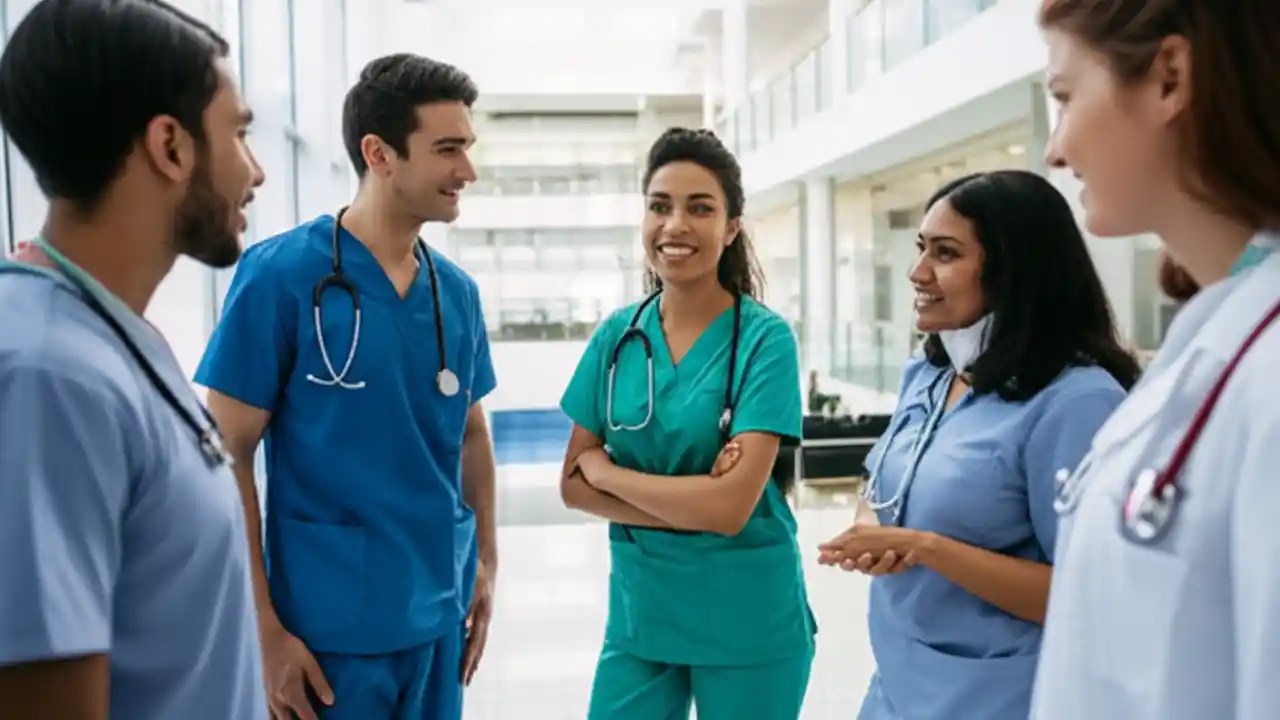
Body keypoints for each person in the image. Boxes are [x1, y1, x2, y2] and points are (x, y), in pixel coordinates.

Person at [195, 53, 497, 720]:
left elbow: (472, 434)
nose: (467, 171)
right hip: (326, 633)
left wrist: (488, 565)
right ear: (380, 153)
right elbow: (229, 453)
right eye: (448, 149)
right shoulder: (278, 278)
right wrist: (263, 627)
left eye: (468, 148)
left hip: (437, 618)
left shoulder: (458, 294)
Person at [0, 1, 266, 718]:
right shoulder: (47, 376)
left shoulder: (108, 337)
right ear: (171, 146)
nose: (258, 171)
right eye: (238, 134)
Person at [1031, 2, 1280, 718]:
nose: (1055, 149)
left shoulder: (1263, 366)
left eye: (1065, 97)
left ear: (1169, 77)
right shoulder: (1215, 339)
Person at [816, 170, 1140, 719]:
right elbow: (883, 480)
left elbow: (1094, 597)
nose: (917, 272)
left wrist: (929, 549)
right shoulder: (931, 372)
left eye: (945, 253)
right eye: (921, 248)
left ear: (1015, 270)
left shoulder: (1076, 403)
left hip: (1000, 701)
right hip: (896, 689)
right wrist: (874, 527)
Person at [559, 127, 816, 719]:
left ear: (731, 229)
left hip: (747, 617)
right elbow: (573, 486)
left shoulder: (764, 340)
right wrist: (696, 498)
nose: (675, 225)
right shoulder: (618, 336)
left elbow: (728, 512)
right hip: (642, 615)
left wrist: (611, 473)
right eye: (660, 206)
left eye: (700, 208)